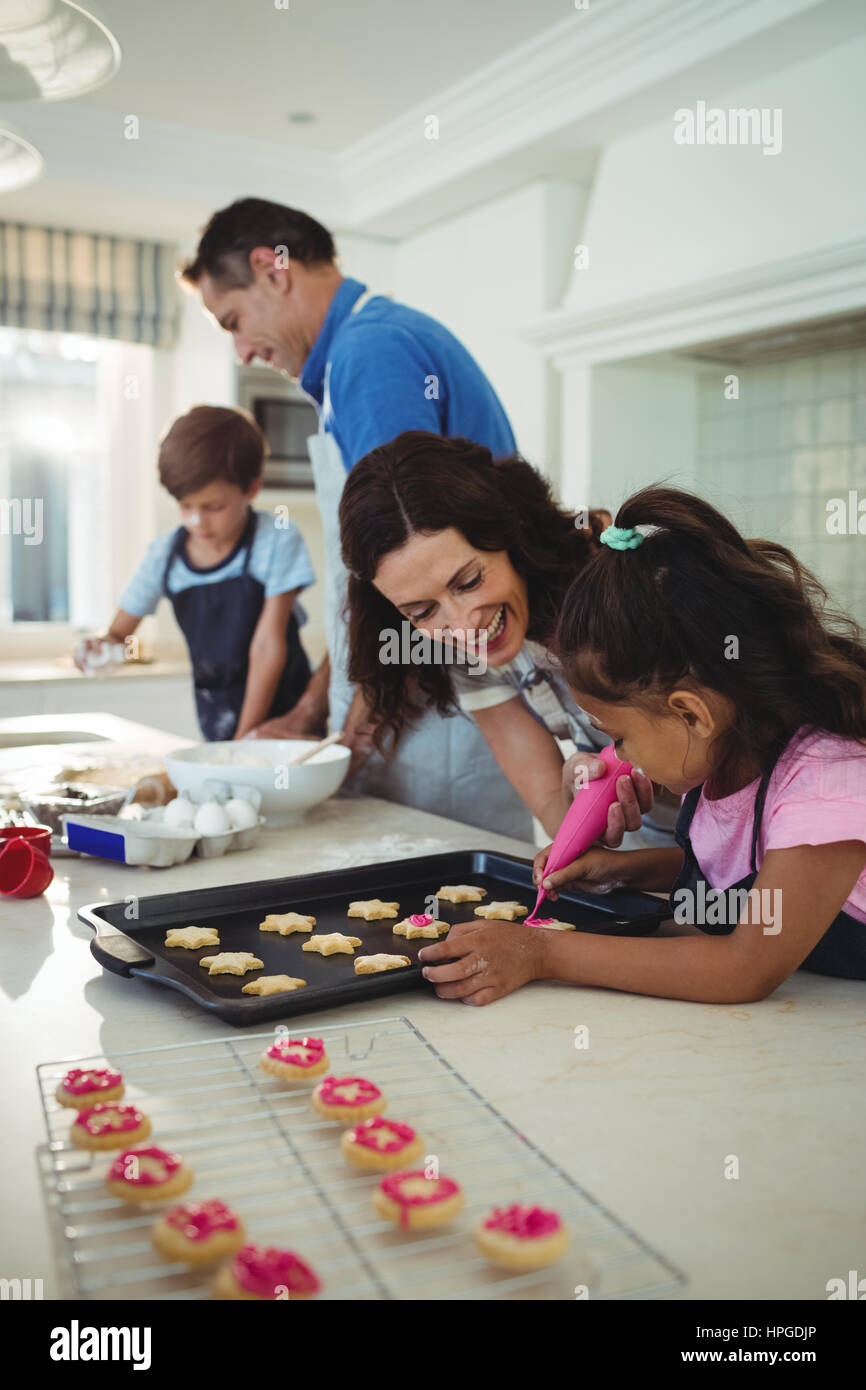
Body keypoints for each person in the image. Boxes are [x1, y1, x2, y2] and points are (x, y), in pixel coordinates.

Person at [417, 486, 866, 1004]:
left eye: (620, 736)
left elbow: (744, 968)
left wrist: (542, 953)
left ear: (690, 713)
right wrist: (622, 870)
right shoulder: (725, 759)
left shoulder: (823, 784)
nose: (619, 756)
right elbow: (752, 874)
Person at [180, 197, 532, 838]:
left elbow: (411, 564)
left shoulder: (370, 357)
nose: (240, 351)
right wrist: (315, 709)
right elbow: (378, 582)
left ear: (273, 270)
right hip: (416, 698)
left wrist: (352, 723)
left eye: (232, 320)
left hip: (435, 713)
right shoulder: (357, 355)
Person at [340, 431, 674, 842]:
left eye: (469, 581)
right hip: (662, 854)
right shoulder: (469, 652)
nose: (464, 628)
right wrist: (580, 788)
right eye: (423, 612)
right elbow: (557, 808)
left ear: (507, 533)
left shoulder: (623, 579)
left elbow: (731, 750)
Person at [76, 405, 315, 741]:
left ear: (251, 489)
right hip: (216, 714)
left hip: (287, 717)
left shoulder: (275, 539)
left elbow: (266, 646)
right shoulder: (165, 555)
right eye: (186, 506)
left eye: (213, 507)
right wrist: (100, 649)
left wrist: (246, 738)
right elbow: (119, 635)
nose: (196, 521)